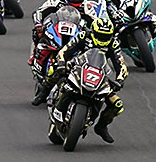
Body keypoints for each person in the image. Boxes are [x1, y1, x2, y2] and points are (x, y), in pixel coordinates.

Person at [44, 14, 128, 143]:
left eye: (106, 36)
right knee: (53, 71)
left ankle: (101, 126)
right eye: (100, 35)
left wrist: (120, 80)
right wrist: (61, 62)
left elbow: (121, 65)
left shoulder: (113, 44)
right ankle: (44, 90)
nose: (103, 38)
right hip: (77, 67)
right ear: (93, 31)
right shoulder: (84, 36)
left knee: (117, 105)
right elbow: (65, 50)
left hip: (100, 75)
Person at [29, 0, 88, 100]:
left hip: (77, 31)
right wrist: (39, 25)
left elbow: (97, 20)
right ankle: (35, 56)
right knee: (37, 33)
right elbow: (38, 12)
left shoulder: (87, 5)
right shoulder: (56, 0)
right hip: (57, 28)